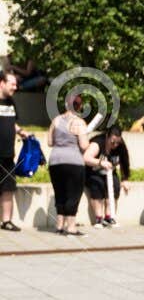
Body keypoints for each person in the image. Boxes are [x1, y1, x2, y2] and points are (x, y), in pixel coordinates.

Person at [47, 92, 94, 235]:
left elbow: (50, 142)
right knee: (73, 193)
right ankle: (71, 227)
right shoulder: (79, 122)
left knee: (60, 192)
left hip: (55, 160)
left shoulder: (56, 120)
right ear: (79, 106)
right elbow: (84, 145)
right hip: (73, 161)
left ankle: (59, 225)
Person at [84, 125, 130, 226]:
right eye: (113, 142)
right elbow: (86, 158)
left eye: (118, 142)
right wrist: (100, 162)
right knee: (97, 185)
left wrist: (125, 179)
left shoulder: (120, 145)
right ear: (107, 137)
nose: (115, 145)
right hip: (92, 171)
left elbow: (125, 161)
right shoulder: (97, 143)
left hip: (109, 172)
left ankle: (109, 216)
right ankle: (99, 217)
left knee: (116, 186)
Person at [0, 67, 26, 232]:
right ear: (1, 83)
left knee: (8, 188)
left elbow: (12, 122)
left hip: (8, 156)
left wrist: (21, 131)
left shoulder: (11, 103)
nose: (15, 87)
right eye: (12, 84)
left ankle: (6, 221)